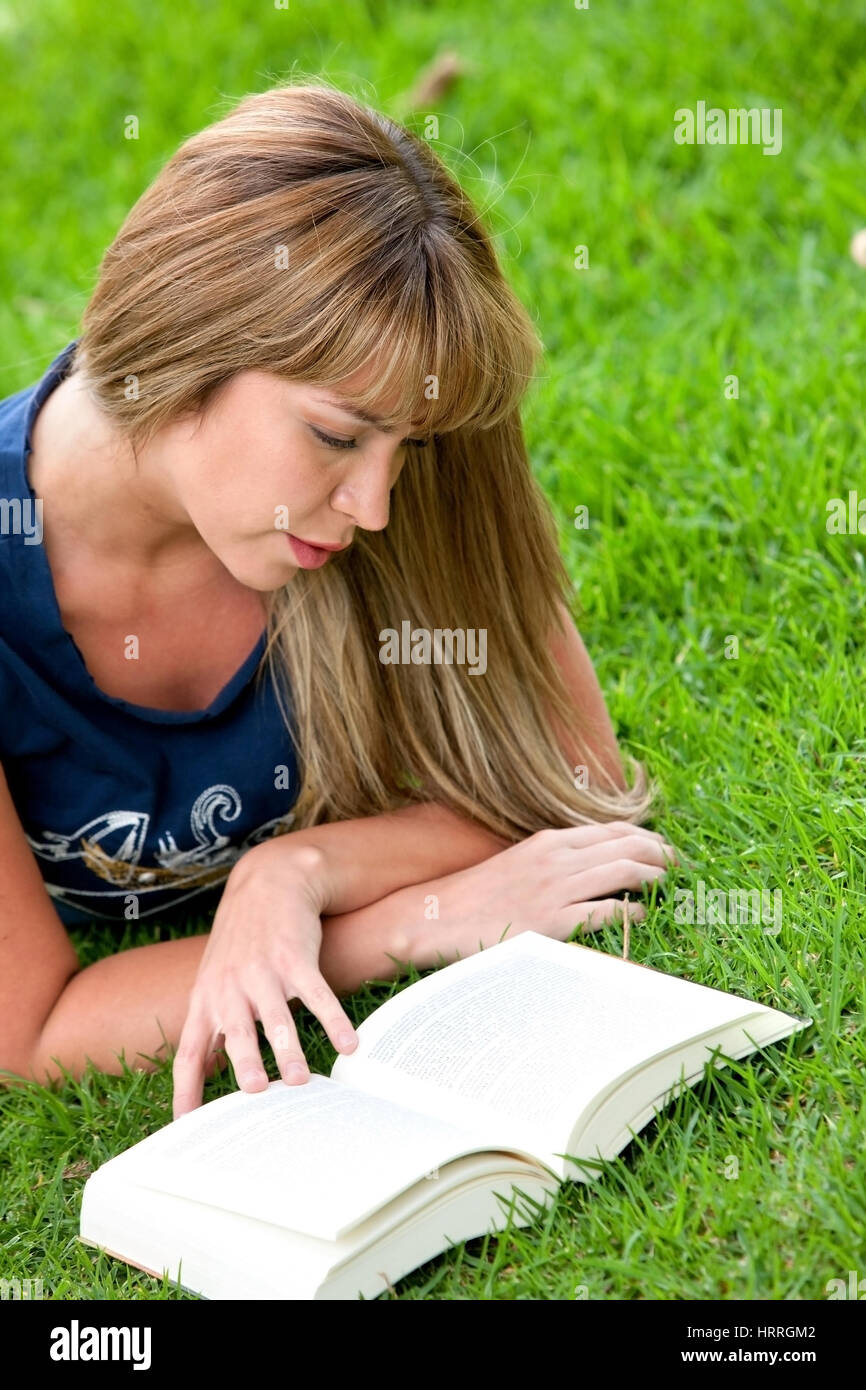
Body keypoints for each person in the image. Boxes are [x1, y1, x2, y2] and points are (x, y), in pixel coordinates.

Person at [0, 79, 677, 1122]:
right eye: (332, 436)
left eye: (403, 447)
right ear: (187, 343)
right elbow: (36, 1027)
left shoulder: (397, 446)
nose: (371, 504)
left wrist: (293, 871)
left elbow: (569, 777)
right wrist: (403, 921)